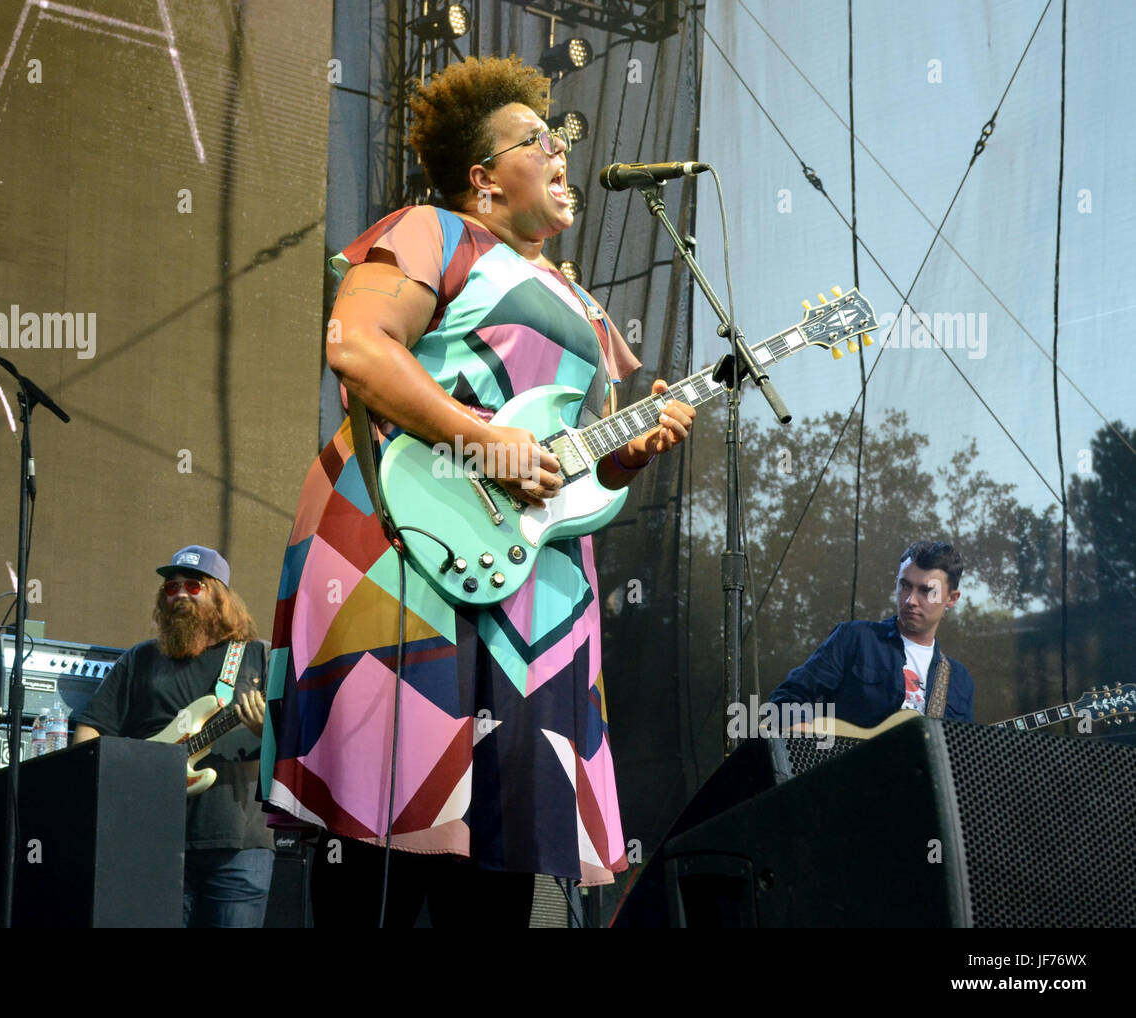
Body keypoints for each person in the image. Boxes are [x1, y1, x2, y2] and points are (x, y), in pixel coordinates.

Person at [260, 56, 696, 927]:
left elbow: (577, 467)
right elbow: (358, 344)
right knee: (382, 839)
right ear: (484, 178)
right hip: (405, 549)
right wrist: (483, 440)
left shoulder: (579, 299)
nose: (563, 152)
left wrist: (626, 455)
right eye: (539, 140)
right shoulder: (436, 233)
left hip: (534, 587)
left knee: (505, 846)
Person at [72, 545, 273, 928]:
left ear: (220, 595)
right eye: (171, 587)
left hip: (237, 848)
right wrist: (99, 794)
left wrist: (269, 731)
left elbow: (301, 741)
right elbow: (91, 728)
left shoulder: (258, 657)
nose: (179, 593)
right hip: (151, 842)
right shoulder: (140, 660)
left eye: (193, 585)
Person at [769, 540, 974, 728]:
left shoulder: (959, 679)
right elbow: (786, 698)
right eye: (905, 585)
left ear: (952, 598)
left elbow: (958, 754)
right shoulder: (855, 639)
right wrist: (805, 737)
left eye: (926, 591)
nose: (910, 600)